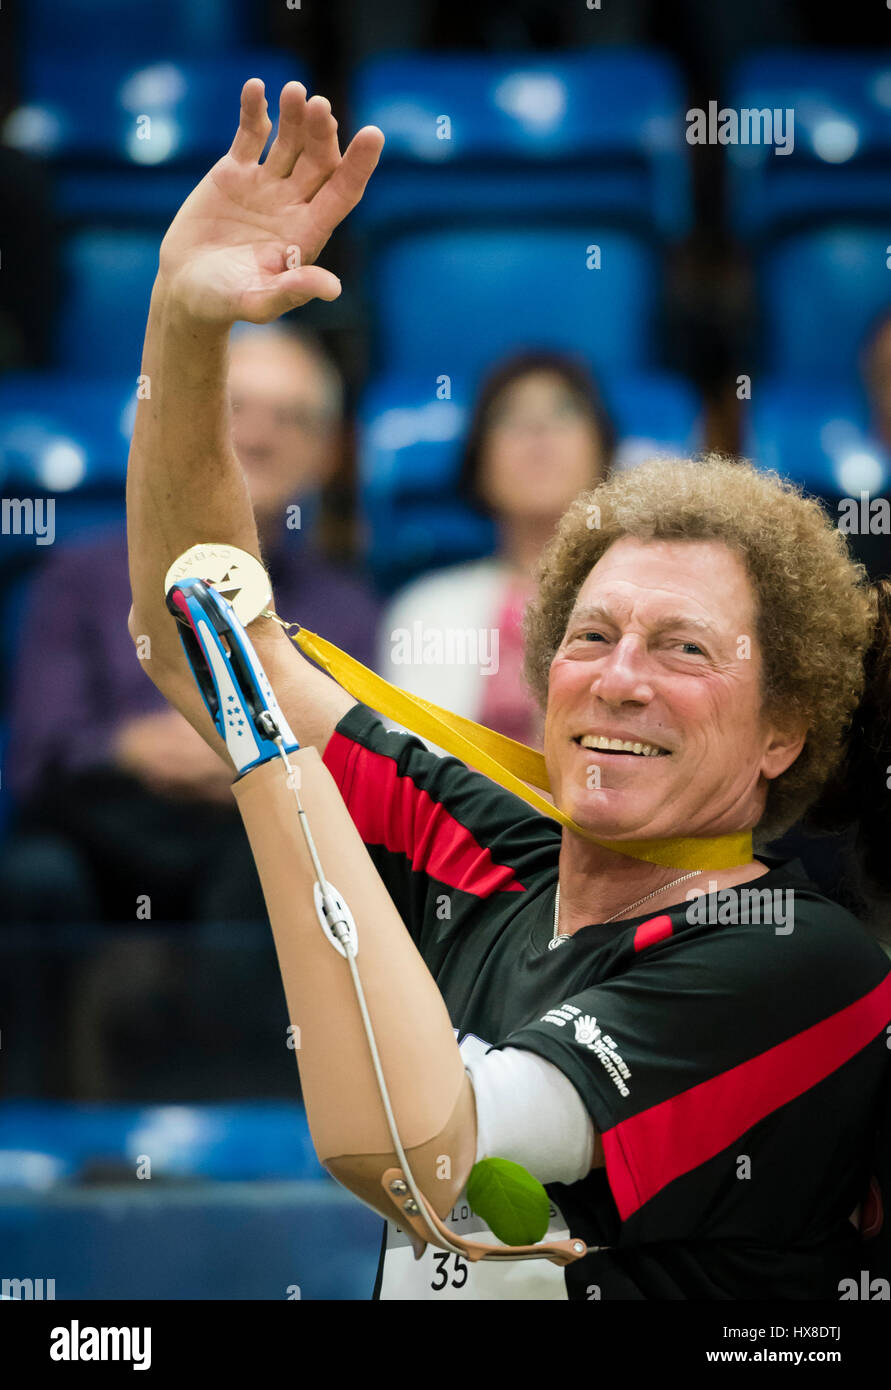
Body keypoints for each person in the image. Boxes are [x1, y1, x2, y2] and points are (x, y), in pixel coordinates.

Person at [126, 79, 891, 1300]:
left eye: (686, 649)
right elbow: (204, 642)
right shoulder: (488, 843)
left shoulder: (805, 962)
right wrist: (183, 326)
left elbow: (432, 1156)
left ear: (784, 731)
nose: (622, 678)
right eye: (592, 634)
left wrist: (277, 767)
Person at [2, 323, 381, 924]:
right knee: (34, 879)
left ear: (327, 454)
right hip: (102, 830)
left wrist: (250, 757)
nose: (258, 437)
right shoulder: (80, 575)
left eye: (292, 419)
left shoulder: (348, 609)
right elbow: (35, 759)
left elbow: (358, 776)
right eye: (235, 409)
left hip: (258, 837)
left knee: (279, 873)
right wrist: (127, 747)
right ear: (188, 420)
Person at [378, 351, 614, 747]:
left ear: (605, 454)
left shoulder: (648, 599)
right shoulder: (425, 609)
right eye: (509, 416)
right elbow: (409, 774)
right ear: (478, 466)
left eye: (565, 410)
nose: (539, 430)